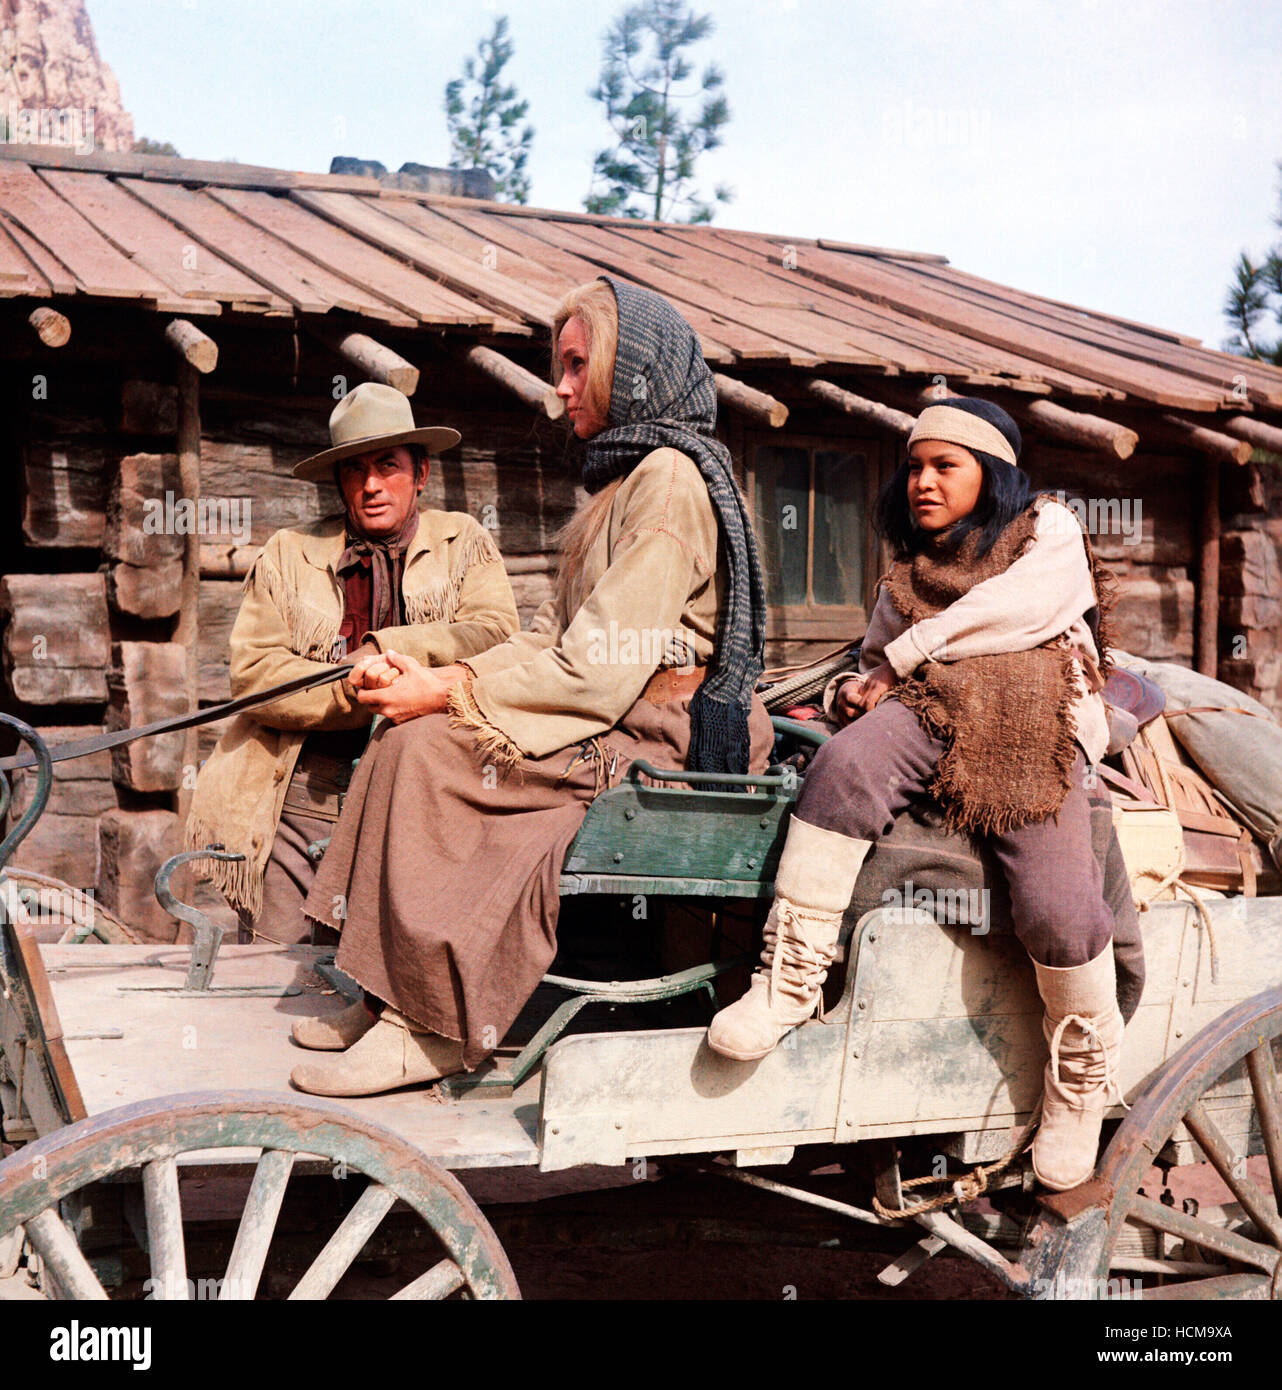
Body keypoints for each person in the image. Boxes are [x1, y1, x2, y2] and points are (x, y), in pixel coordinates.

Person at [288, 276, 775, 1098]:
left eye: (579, 365)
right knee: (402, 737)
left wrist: (448, 702)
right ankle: (386, 991)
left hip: (663, 728)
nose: (561, 388)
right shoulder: (622, 483)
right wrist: (442, 675)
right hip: (618, 707)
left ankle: (434, 1024)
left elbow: (601, 670)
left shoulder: (670, 482)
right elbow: (552, 638)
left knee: (434, 757)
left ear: (638, 368)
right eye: (563, 366)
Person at [707, 397, 1124, 1192]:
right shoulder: (907, 570)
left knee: (1060, 904)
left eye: (945, 466)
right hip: (933, 703)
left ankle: (1079, 1076)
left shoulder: (1047, 530)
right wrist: (854, 695)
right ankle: (790, 979)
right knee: (843, 768)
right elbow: (874, 659)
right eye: (915, 466)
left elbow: (1018, 612)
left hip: (1034, 707)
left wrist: (904, 658)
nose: (922, 482)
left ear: (990, 475)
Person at [185, 382, 519, 947]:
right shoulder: (290, 554)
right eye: (354, 469)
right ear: (338, 481)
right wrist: (353, 689)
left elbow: (495, 636)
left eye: (388, 465)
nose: (370, 485)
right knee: (277, 973)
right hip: (300, 800)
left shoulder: (465, 542)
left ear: (422, 472)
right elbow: (255, 675)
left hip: (425, 799)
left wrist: (388, 647)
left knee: (396, 970)